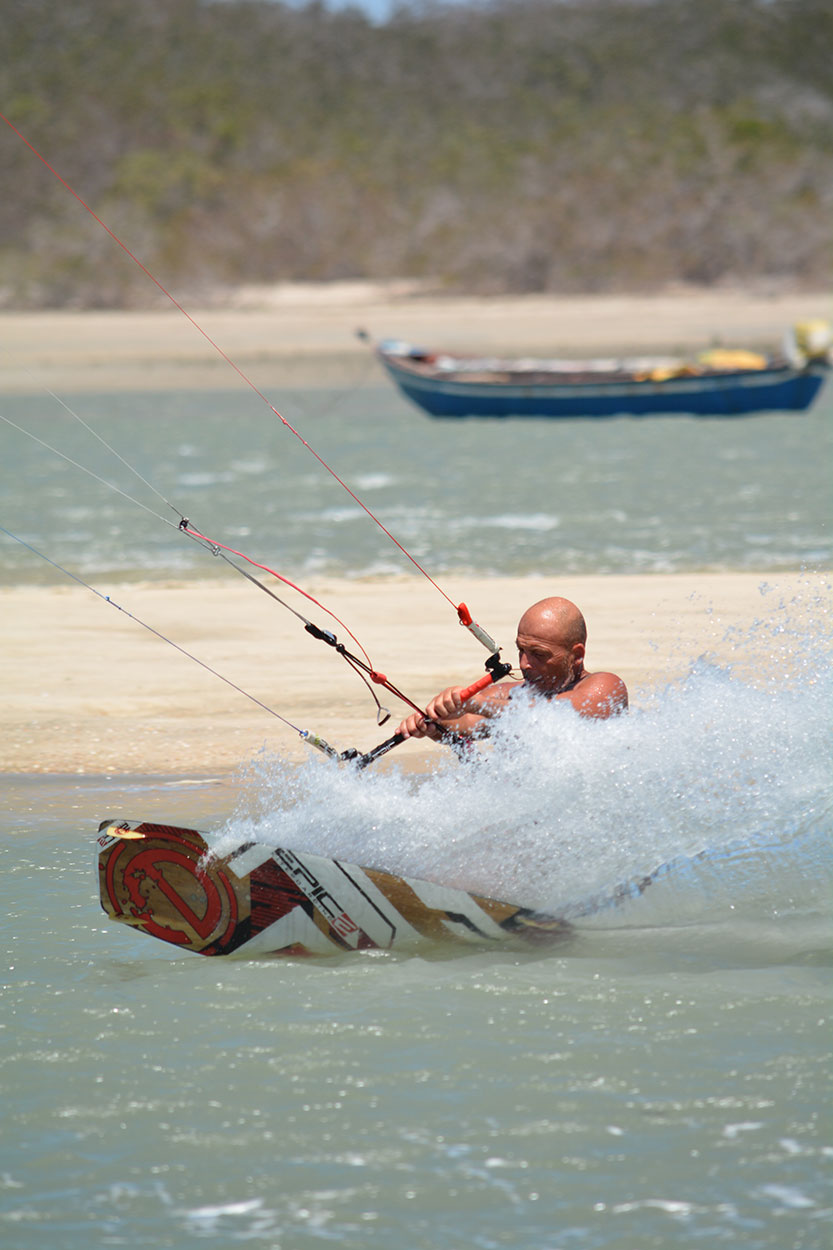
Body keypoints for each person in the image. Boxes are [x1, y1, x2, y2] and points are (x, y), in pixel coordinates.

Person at [396, 596, 628, 741]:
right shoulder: (508, 695)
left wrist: (476, 703)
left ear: (576, 655)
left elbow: (557, 714)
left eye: (539, 654)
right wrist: (433, 725)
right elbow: (466, 724)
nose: (525, 664)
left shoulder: (606, 686)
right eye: (521, 650)